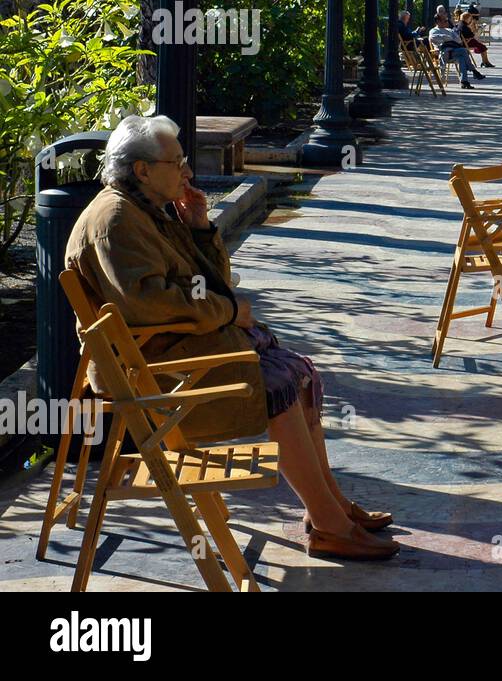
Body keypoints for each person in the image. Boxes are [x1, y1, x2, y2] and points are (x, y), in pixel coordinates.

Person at [65, 115, 398, 561]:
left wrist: (200, 227)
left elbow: (211, 281)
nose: (186, 172)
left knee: (294, 372)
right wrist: (229, 312)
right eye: (176, 162)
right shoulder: (117, 220)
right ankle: (328, 522)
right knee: (277, 385)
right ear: (142, 170)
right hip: (156, 377)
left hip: (177, 354)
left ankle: (330, 508)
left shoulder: (146, 210)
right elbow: (151, 304)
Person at [430, 12, 485, 88]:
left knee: (462, 58)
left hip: (455, 52)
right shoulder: (434, 31)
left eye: (447, 20)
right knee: (464, 51)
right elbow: (434, 39)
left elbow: (459, 40)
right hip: (444, 54)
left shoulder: (449, 30)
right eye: (445, 21)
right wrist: (448, 38)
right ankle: (474, 71)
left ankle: (464, 82)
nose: (447, 22)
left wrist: (446, 38)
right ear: (438, 22)